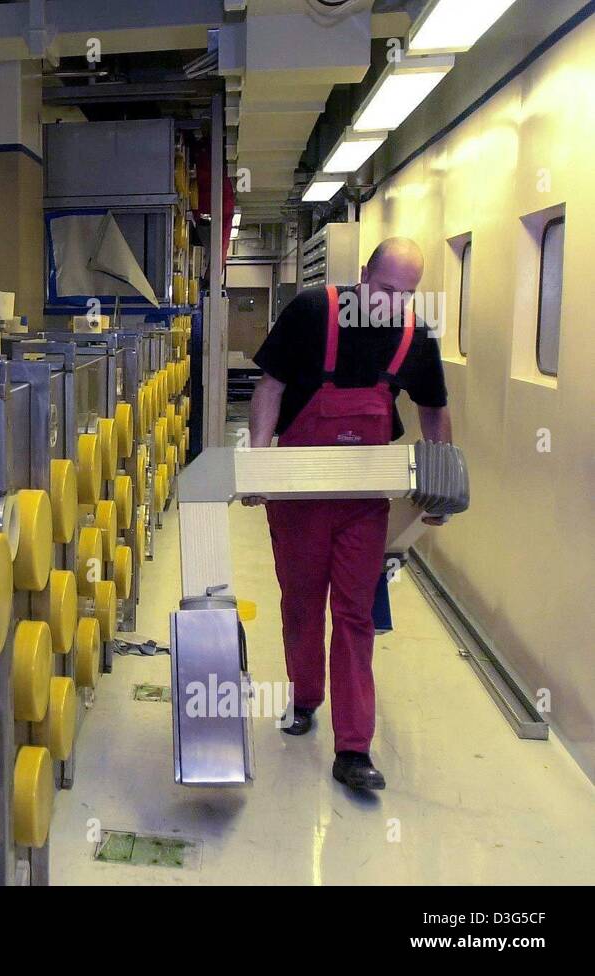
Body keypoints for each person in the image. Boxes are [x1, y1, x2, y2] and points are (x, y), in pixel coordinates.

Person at [244, 237, 452, 791]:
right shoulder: (313, 312)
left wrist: (440, 484)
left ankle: (354, 748)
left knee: (356, 616)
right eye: (385, 290)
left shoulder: (415, 336)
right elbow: (272, 386)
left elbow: (434, 411)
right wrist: (259, 463)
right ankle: (306, 697)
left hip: (364, 503)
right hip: (298, 497)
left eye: (406, 295)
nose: (393, 304)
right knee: (302, 604)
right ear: (363, 274)